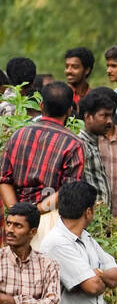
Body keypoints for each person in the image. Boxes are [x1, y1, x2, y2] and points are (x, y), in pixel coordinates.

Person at [0, 81, 86, 249]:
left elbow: (4, 180)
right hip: (50, 220)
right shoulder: (74, 144)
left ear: (41, 105)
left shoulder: (19, 134)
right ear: (70, 109)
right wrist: (35, 210)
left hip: (15, 221)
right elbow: (67, 192)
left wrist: (17, 212)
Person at [74, 88, 117, 209]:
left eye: (111, 116)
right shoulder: (81, 145)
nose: (110, 121)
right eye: (104, 116)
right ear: (88, 117)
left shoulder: (94, 143)